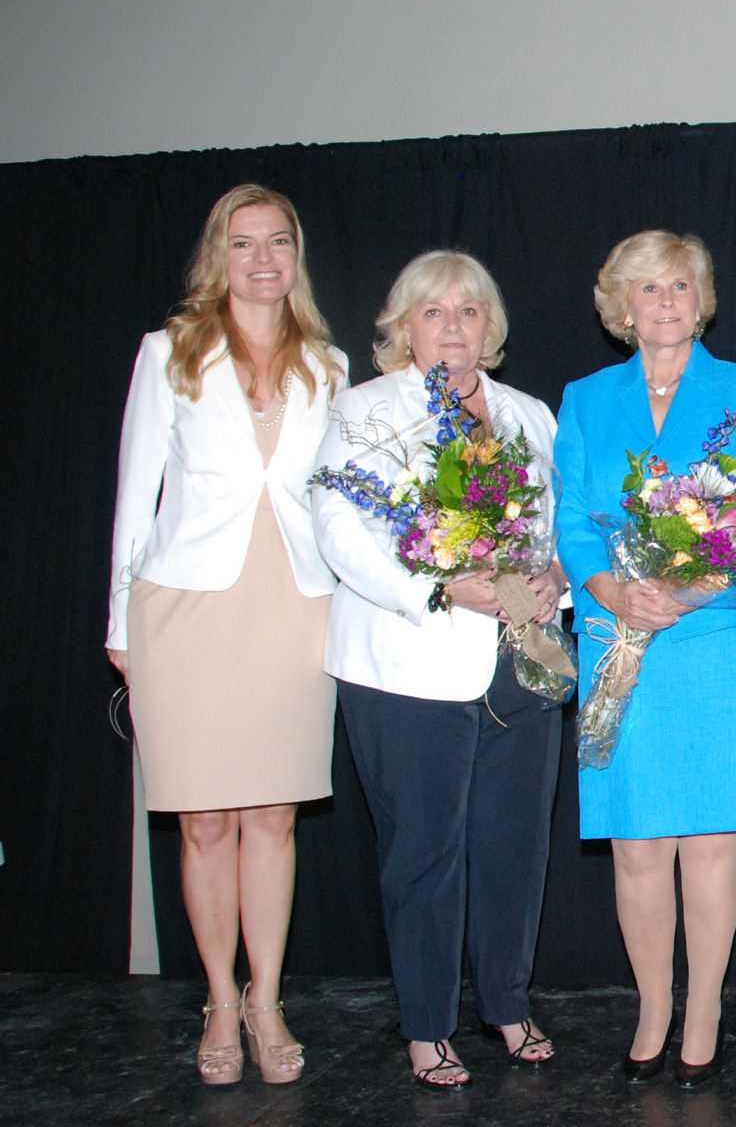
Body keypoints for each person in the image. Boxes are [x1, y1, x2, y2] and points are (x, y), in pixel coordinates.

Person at [107, 184, 344, 1085]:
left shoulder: (329, 363)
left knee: (272, 816)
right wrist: (120, 618)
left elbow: (336, 497)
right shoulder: (170, 353)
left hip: (293, 602)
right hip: (186, 608)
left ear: (295, 254)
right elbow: (135, 497)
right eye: (243, 244)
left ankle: (266, 1000)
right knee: (204, 821)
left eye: (277, 242)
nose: (262, 260)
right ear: (220, 255)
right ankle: (216, 997)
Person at [313, 250, 567, 1089]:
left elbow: (560, 528)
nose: (452, 328)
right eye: (433, 313)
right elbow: (343, 531)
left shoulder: (529, 414)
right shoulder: (363, 411)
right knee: (423, 851)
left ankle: (506, 1000)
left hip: (519, 661)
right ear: (402, 329)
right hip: (406, 665)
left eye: (468, 312)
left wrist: (558, 579)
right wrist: (436, 591)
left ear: (489, 328)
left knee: (514, 844)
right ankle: (426, 1024)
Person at [555, 230, 736, 1087]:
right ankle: (653, 1004)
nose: (667, 302)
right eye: (648, 289)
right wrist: (611, 591)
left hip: (713, 638)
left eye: (681, 285)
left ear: (701, 298)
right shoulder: (585, 397)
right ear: (622, 307)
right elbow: (573, 514)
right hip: (617, 637)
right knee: (637, 843)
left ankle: (708, 1006)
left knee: (709, 840)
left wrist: (682, 595)